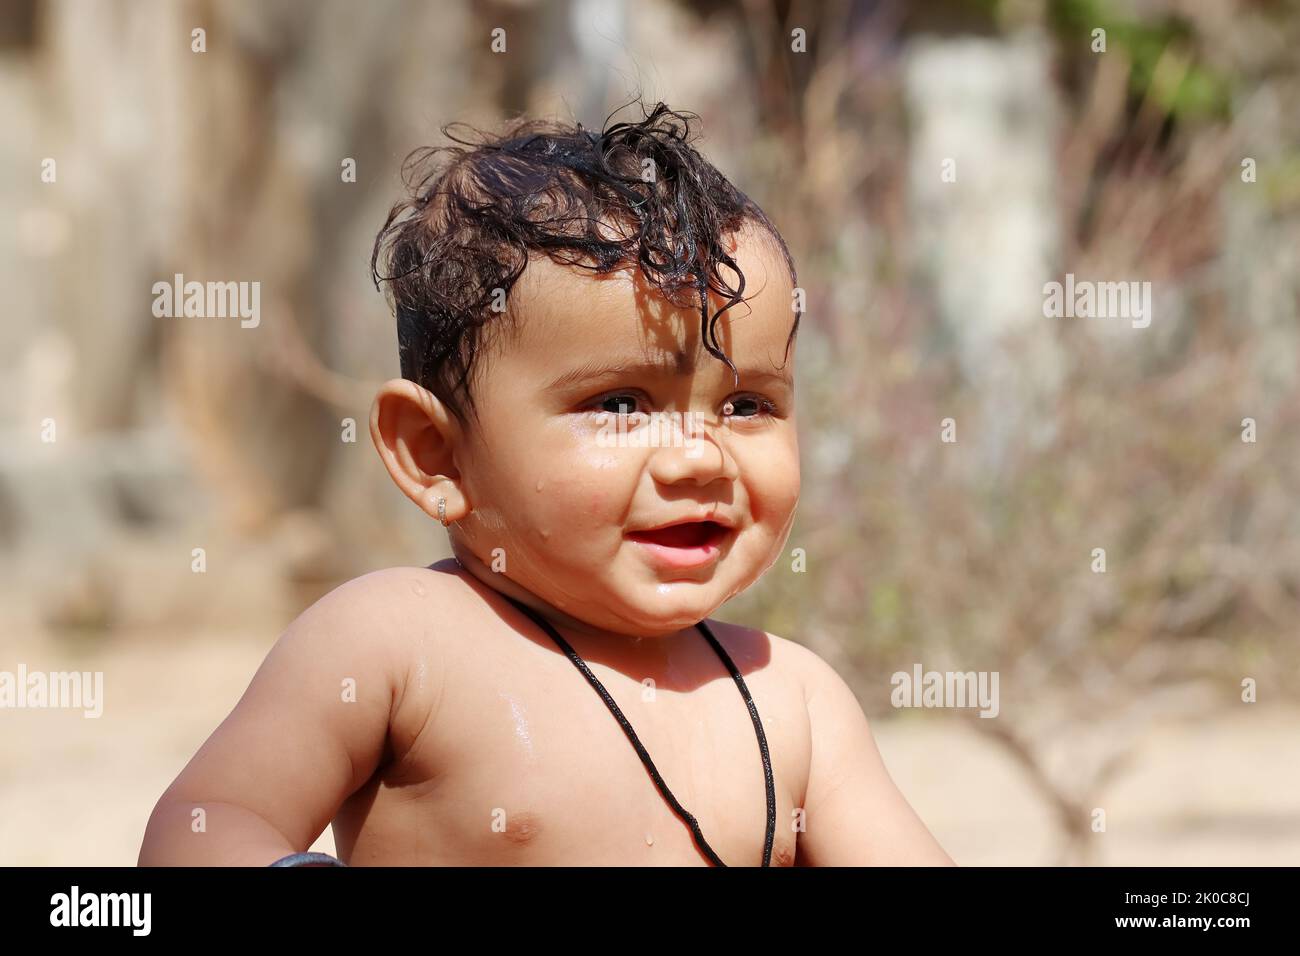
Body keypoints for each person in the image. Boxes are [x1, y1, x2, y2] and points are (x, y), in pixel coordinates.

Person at [138, 100, 954, 867]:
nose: (701, 458)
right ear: (436, 456)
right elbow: (205, 824)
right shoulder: (395, 645)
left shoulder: (792, 700)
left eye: (747, 404)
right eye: (621, 404)